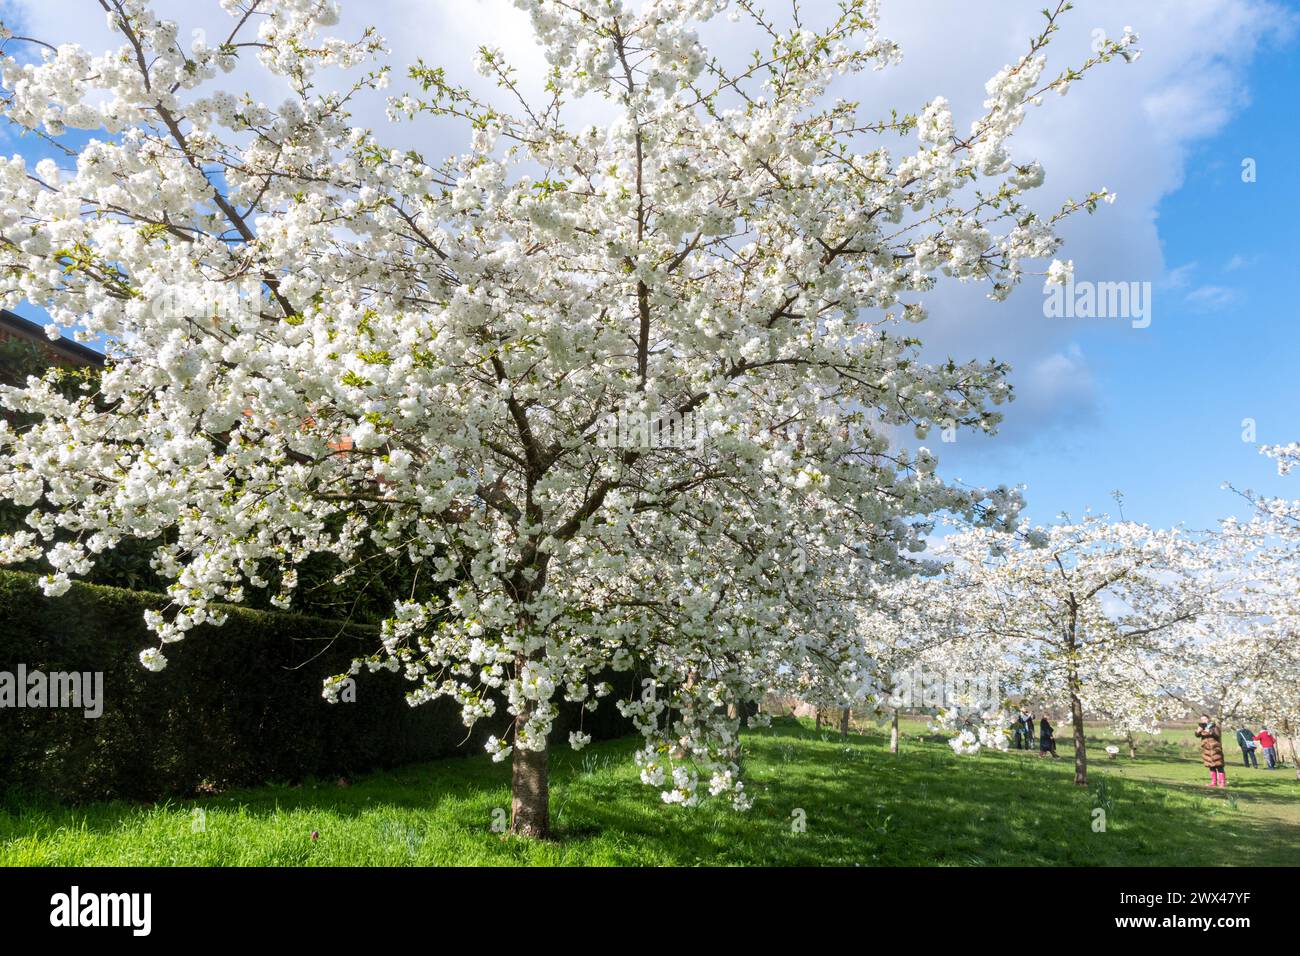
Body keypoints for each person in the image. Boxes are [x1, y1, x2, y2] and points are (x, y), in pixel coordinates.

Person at [1197, 716, 1227, 788]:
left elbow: (1217, 734)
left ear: (1208, 719)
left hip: (1215, 749)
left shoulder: (1214, 726)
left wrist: (1210, 731)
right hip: (1207, 750)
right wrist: (1198, 731)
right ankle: (1213, 782)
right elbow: (1197, 735)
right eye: (1202, 719)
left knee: (1219, 766)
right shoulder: (1201, 727)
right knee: (1211, 766)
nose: (1203, 720)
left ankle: (1222, 782)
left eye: (1205, 719)